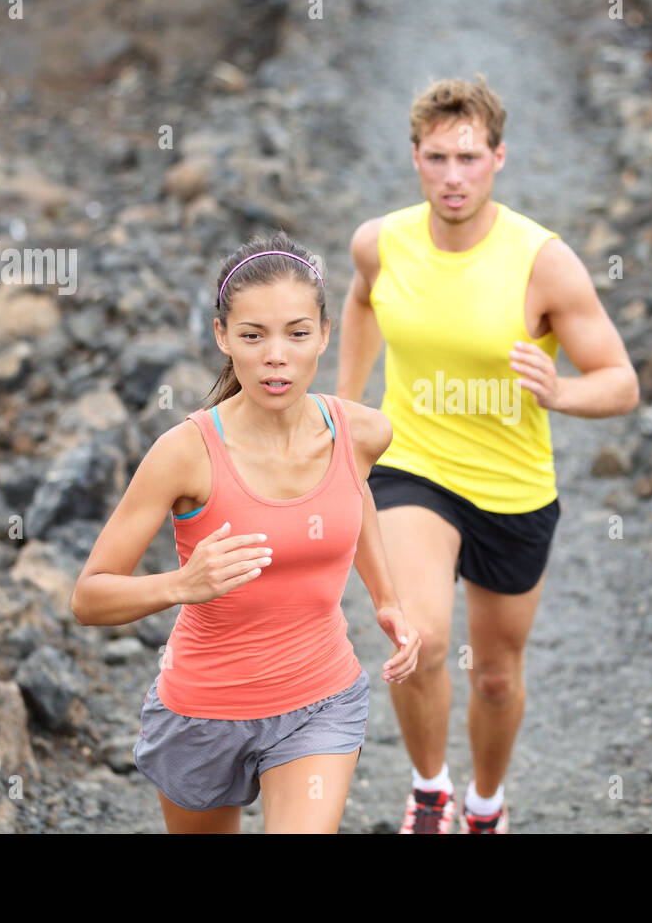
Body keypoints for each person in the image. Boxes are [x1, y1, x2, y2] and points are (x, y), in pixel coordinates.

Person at [335, 75, 640, 833]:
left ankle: (486, 804)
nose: (452, 177)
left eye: (468, 157)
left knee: (497, 677)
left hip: (513, 486)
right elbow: (362, 297)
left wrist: (559, 392)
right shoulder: (381, 241)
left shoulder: (544, 261)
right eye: (437, 158)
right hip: (415, 468)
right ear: (414, 159)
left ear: (498, 158)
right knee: (421, 638)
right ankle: (430, 790)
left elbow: (622, 382)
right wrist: (347, 404)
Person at [71, 233, 421, 833]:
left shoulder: (362, 433)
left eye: (297, 333)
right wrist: (183, 583)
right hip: (202, 713)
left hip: (321, 698)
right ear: (222, 337)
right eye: (253, 335)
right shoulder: (183, 454)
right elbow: (89, 597)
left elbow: (352, 495)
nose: (275, 355)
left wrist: (387, 599)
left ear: (325, 334)